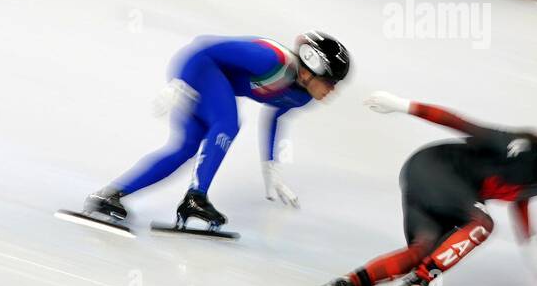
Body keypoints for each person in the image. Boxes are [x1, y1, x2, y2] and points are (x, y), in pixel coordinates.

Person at [310, 93, 537, 286]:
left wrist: (531, 243)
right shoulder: (515, 147)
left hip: (443, 187)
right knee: (482, 224)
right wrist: (403, 106)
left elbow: (520, 197)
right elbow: (460, 123)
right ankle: (417, 285)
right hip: (433, 169)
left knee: (420, 252)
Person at [80, 31, 350, 227]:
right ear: (309, 71)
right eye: (331, 81)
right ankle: (196, 198)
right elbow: (203, 47)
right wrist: (180, 82)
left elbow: (275, 117)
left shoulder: (302, 96)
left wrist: (270, 165)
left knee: (184, 149)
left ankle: (110, 195)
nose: (333, 90)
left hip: (211, 86)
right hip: (198, 69)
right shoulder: (271, 60)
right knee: (228, 124)